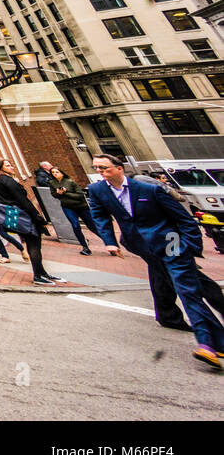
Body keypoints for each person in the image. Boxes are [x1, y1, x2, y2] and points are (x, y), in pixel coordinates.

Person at [87, 155, 224, 370]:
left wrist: (189, 248)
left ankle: (206, 344)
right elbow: (99, 216)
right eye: (96, 168)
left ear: (119, 168)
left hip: (172, 245)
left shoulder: (149, 189)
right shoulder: (97, 191)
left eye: (104, 168)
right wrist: (110, 242)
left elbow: (185, 220)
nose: (100, 172)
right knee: (180, 287)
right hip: (142, 246)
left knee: (188, 292)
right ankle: (217, 340)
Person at [0, 158, 59, 285]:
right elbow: (22, 200)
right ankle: (38, 275)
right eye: (8, 165)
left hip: (14, 214)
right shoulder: (7, 181)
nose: (11, 167)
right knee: (34, 244)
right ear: (0, 167)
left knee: (32, 243)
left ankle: (42, 272)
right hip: (23, 214)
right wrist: (37, 216)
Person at [49, 166, 99, 256]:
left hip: (81, 206)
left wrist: (66, 192)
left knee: (92, 226)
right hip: (67, 207)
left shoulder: (70, 182)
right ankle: (85, 247)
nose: (55, 174)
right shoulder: (52, 183)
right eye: (53, 172)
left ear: (62, 173)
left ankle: (109, 243)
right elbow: (53, 195)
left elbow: (80, 195)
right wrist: (58, 193)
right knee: (75, 225)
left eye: (57, 172)